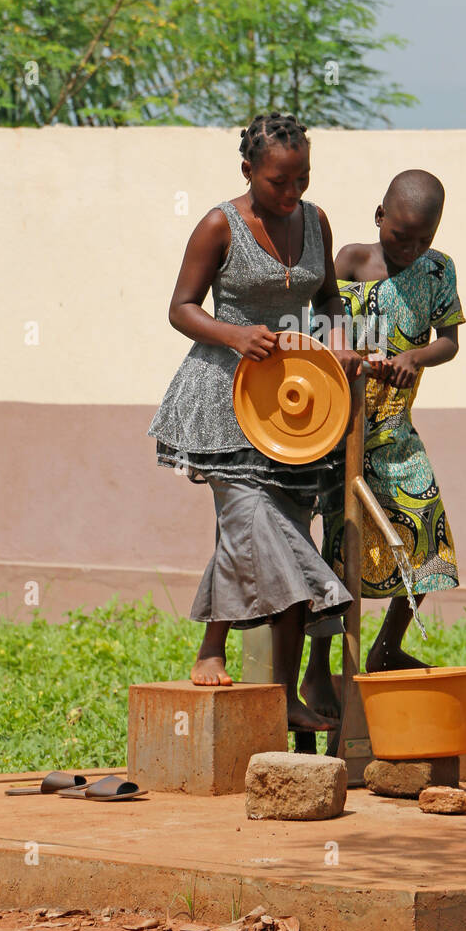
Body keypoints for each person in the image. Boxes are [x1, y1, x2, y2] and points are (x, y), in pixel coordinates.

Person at [148, 112, 360, 733]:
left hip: (299, 404)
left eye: (302, 180)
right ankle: (224, 653)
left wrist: (340, 342)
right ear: (248, 171)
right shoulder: (220, 224)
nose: (291, 194)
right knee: (255, 523)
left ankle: (272, 685)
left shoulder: (316, 221)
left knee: (276, 526)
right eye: (277, 183)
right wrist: (236, 334)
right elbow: (181, 309)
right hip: (223, 397)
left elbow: (326, 299)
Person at [303, 169, 465, 718]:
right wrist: (351, 358)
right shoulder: (348, 261)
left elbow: (448, 342)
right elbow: (322, 327)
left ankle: (388, 646)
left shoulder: (439, 272)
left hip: (396, 431)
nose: (412, 248)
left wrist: (413, 359)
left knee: (425, 530)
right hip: (341, 430)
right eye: (401, 237)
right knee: (338, 545)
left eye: (424, 238)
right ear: (379, 218)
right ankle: (318, 671)